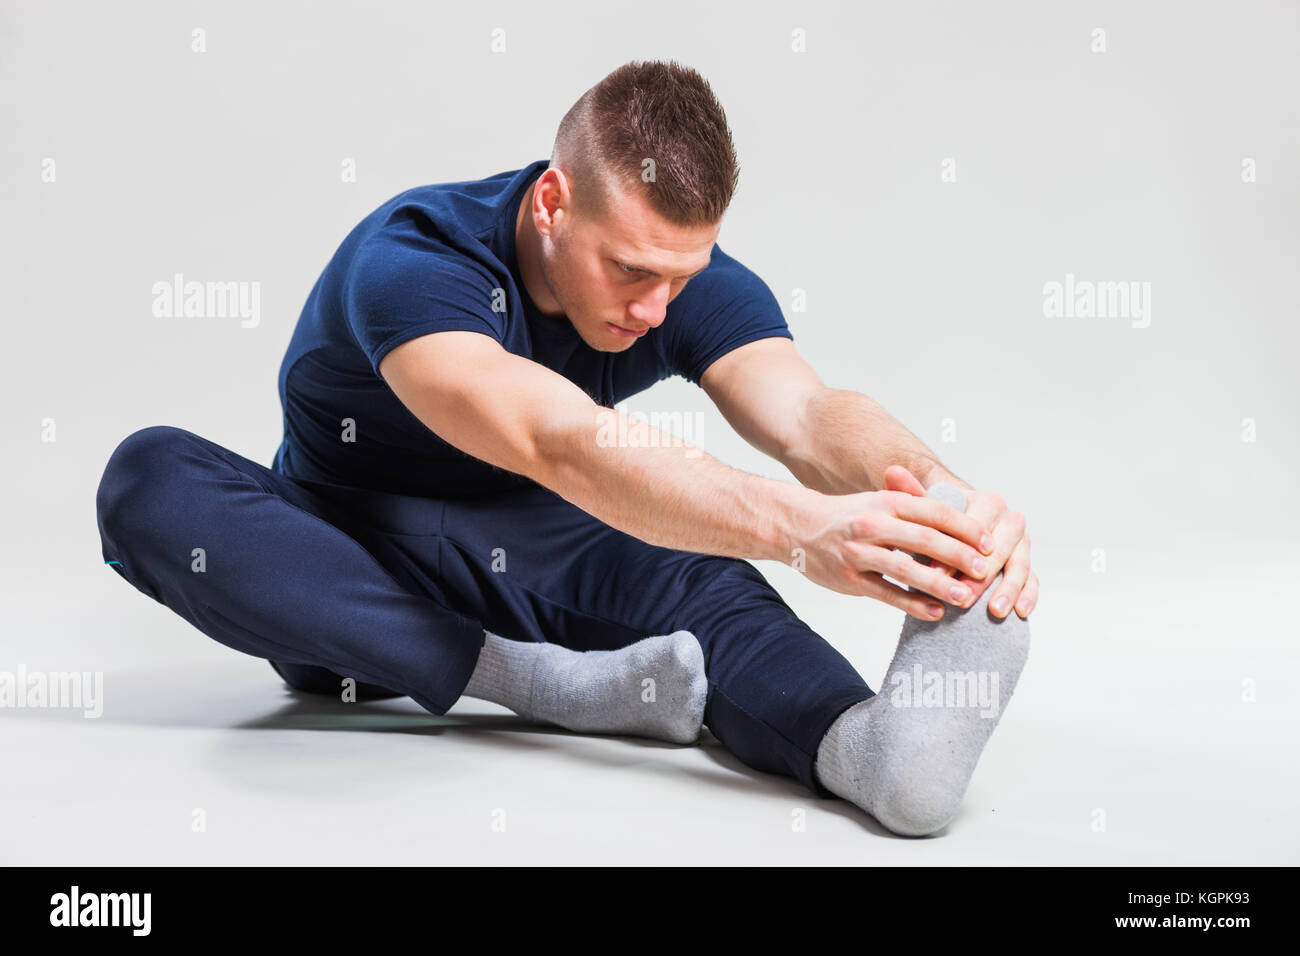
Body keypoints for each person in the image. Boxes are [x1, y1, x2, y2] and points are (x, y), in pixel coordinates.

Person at [95, 59, 1037, 836]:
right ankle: (535, 683)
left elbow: (803, 412)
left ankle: (872, 753)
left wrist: (947, 507)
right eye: (629, 270)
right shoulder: (415, 261)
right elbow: (557, 439)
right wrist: (800, 530)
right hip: (348, 568)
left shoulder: (667, 277)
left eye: (682, 277)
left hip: (549, 546)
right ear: (553, 203)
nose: (654, 309)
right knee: (148, 477)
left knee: (700, 567)